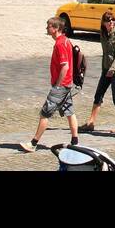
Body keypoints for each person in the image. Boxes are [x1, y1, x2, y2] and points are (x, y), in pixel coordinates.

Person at [23, 17, 79, 152]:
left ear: (56, 29)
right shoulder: (66, 40)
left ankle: (33, 143)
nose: (46, 29)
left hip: (61, 86)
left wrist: (57, 85)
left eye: (48, 26)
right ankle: (75, 142)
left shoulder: (60, 43)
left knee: (45, 113)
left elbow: (64, 66)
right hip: (67, 84)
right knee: (69, 112)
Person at [83, 12, 115, 134]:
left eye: (112, 20)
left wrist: (112, 69)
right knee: (98, 95)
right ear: (103, 22)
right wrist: (106, 69)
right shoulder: (103, 33)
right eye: (108, 20)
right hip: (106, 69)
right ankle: (91, 122)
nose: (111, 22)